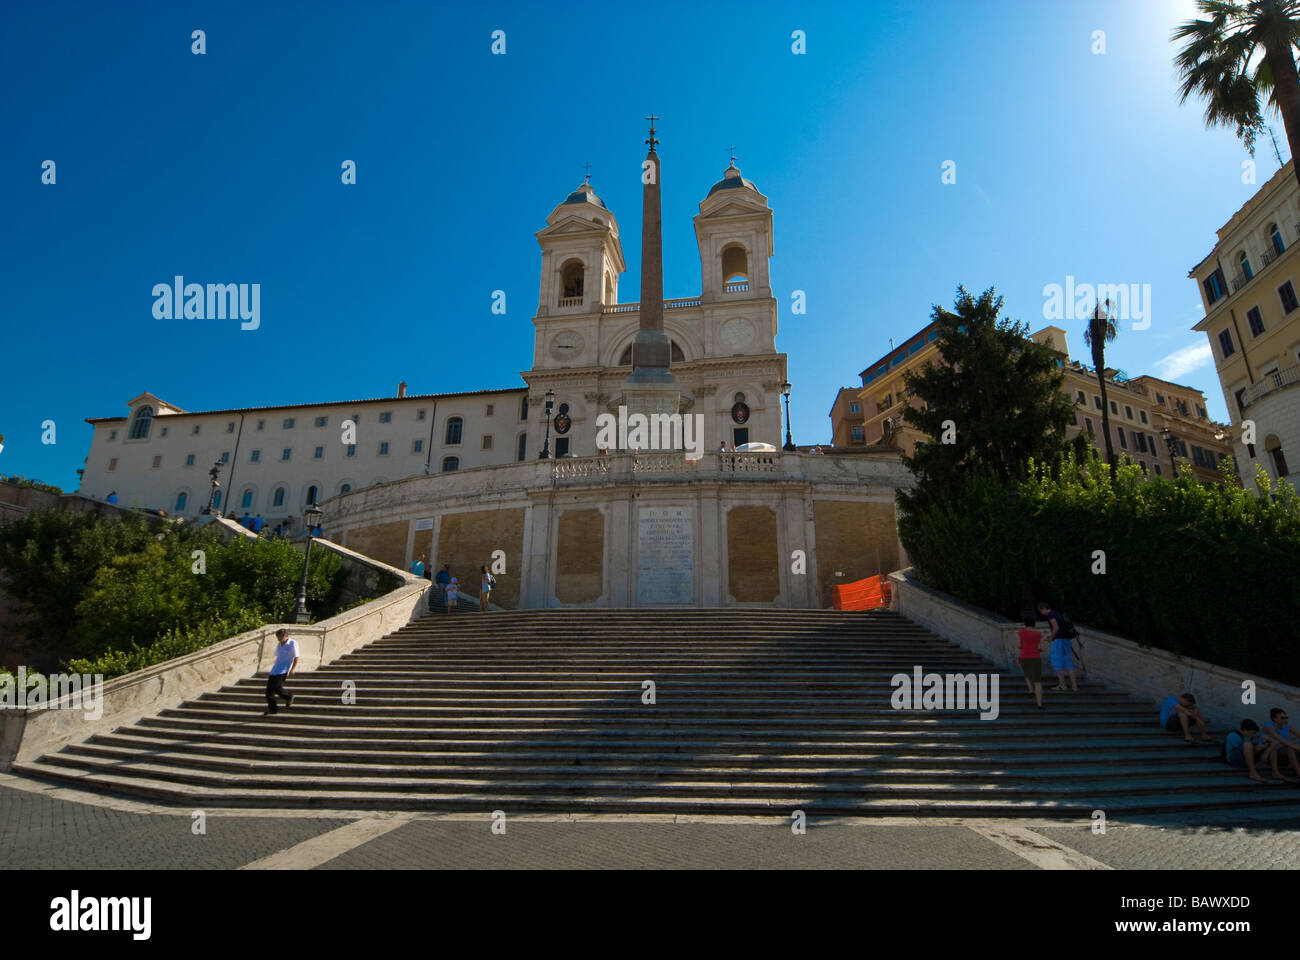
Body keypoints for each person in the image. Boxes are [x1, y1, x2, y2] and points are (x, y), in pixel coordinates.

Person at [1225, 719, 1289, 784]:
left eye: (1254, 733)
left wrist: (1266, 751)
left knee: (1271, 746)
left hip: (1247, 757)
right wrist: (1257, 749)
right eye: (1252, 733)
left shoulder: (1253, 736)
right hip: (1234, 759)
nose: (1253, 735)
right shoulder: (1233, 736)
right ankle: (1253, 773)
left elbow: (1276, 742)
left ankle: (1275, 773)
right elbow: (1243, 753)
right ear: (1245, 730)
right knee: (1248, 745)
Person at [1037, 601, 1078, 693]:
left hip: (1058, 642)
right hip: (1066, 641)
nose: (1041, 613)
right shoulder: (1058, 613)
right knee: (1069, 664)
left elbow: (1056, 628)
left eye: (1041, 611)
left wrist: (1051, 638)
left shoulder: (1050, 615)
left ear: (1043, 608)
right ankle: (1074, 687)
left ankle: (1062, 685)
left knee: (1057, 664)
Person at [264, 628, 298, 716]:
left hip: (283, 670)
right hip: (275, 670)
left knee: (276, 687)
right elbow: (278, 657)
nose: (279, 640)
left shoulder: (293, 643)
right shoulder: (279, 645)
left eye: (280, 637)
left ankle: (289, 696)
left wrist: (293, 669)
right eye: (278, 638)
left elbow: (296, 657)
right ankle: (273, 709)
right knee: (268, 692)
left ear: (285, 636)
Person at [1017, 608, 1046, 710]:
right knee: (1038, 681)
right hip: (1035, 657)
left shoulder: (1021, 632)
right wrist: (1036, 649)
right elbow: (1042, 648)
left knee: (1027, 674)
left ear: (1025, 624)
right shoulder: (1039, 634)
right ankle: (1039, 704)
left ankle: (1030, 690)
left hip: (1024, 657)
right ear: (1034, 624)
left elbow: (1019, 645)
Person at [1259, 707, 1300, 778]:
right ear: (1275, 719)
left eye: (1286, 717)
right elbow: (1280, 740)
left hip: (1282, 753)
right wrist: (1297, 747)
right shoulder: (1269, 727)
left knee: (1290, 748)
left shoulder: (1288, 726)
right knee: (1289, 748)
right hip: (1268, 753)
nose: (1285, 719)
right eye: (1282, 718)